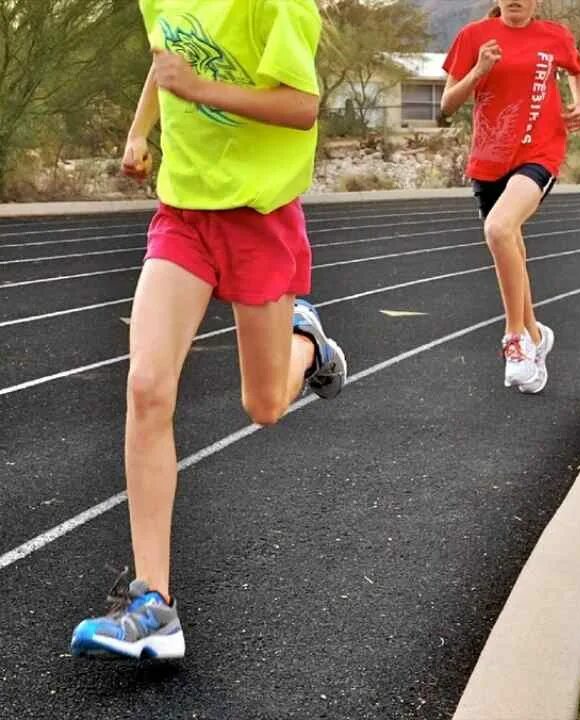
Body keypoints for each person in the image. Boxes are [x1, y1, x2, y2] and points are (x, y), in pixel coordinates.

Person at [69, 0, 346, 660]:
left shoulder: (275, 6)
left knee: (264, 406)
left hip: (259, 215)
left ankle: (306, 344)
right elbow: (167, 60)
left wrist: (199, 89)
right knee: (146, 387)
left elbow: (301, 104)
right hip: (184, 212)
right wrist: (140, 131)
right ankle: (152, 605)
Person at [441, 0, 580, 394]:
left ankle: (515, 340)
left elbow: (579, 71)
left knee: (499, 227)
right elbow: (446, 105)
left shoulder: (554, 36)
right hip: (488, 161)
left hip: (540, 153)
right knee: (510, 245)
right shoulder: (472, 37)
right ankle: (536, 335)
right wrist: (478, 70)